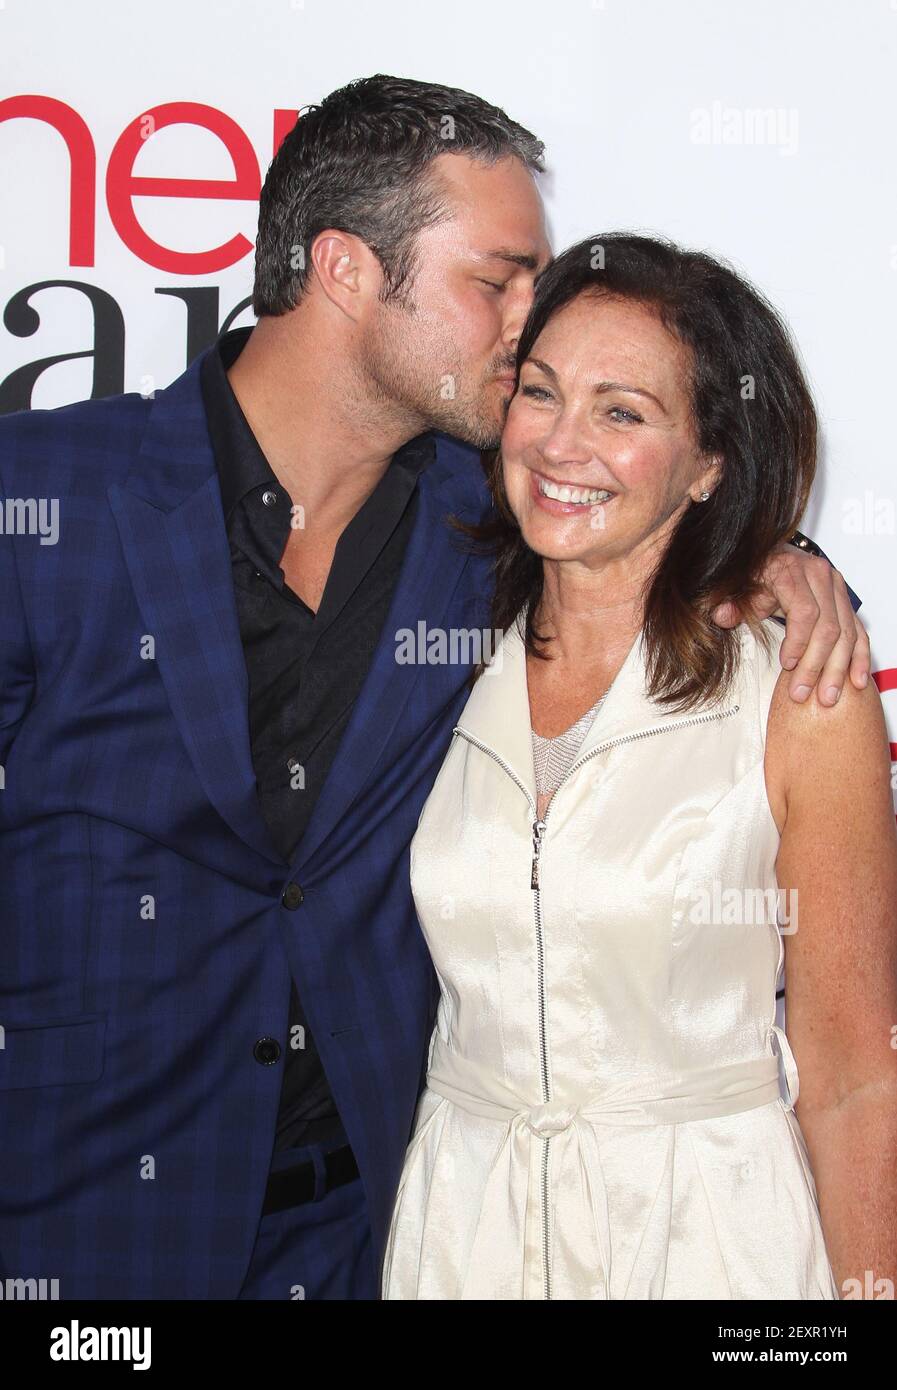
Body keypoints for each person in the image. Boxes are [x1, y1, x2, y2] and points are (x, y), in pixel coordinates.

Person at [0, 79, 867, 1301]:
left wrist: (785, 560)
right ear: (347, 271)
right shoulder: (47, 500)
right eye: (497, 283)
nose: (532, 326)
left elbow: (655, 502)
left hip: (379, 1236)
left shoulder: (492, 524)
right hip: (83, 1230)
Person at [381, 233, 897, 1300]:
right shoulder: (433, 644)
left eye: (623, 412)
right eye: (541, 392)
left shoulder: (796, 687)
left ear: (711, 462)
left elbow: (852, 1077)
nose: (563, 444)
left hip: (712, 1238)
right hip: (465, 1229)